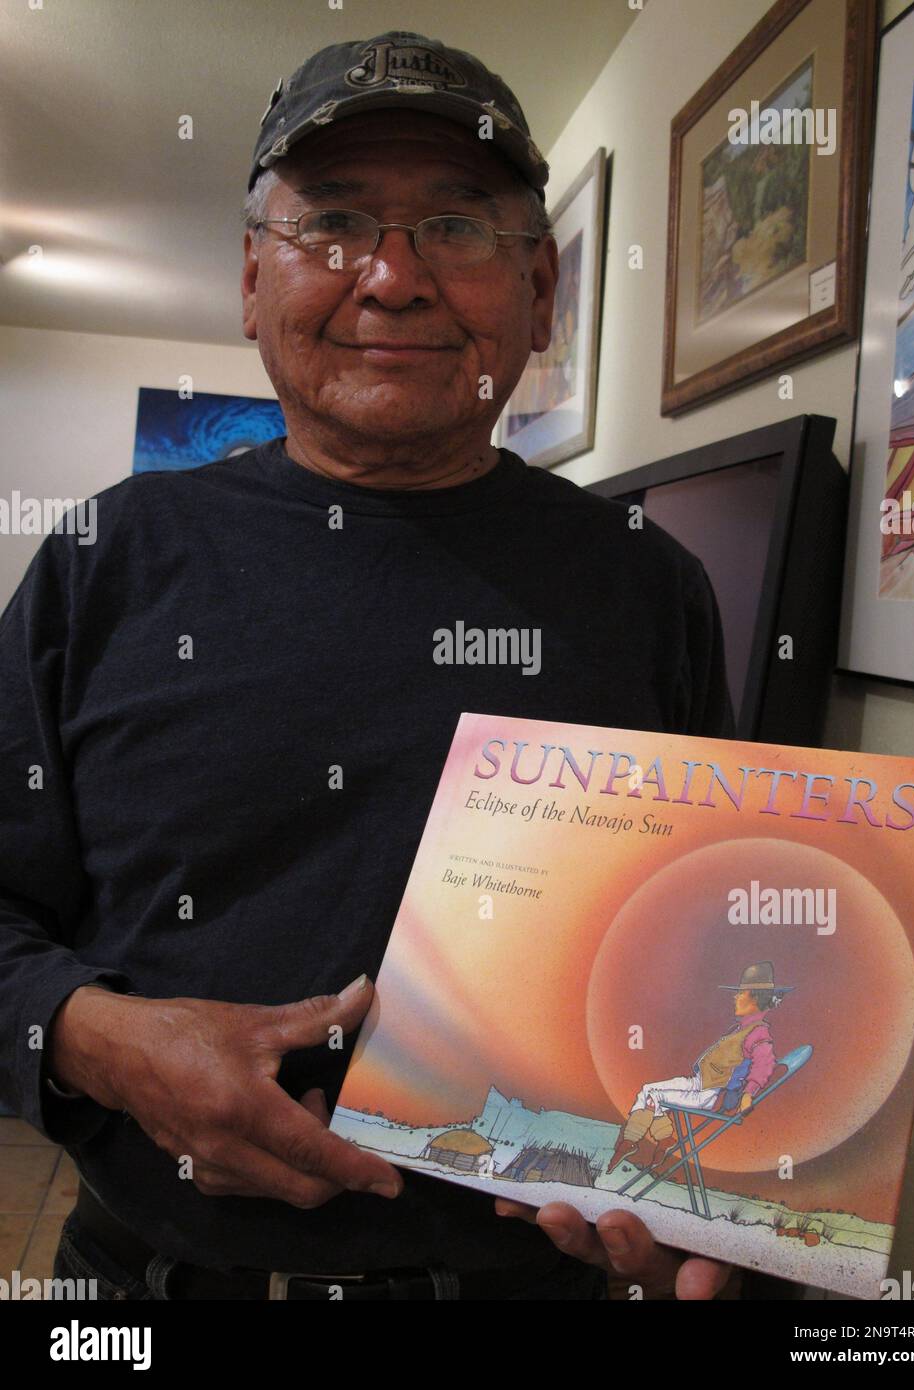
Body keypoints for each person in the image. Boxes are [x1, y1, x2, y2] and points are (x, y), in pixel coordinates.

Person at [0, 30, 737, 1301]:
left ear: (542, 288)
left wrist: (724, 1194)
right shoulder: (101, 561)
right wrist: (98, 1040)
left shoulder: (647, 584)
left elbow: (703, 949)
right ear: (250, 280)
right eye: (333, 222)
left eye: (458, 228)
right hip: (143, 1294)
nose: (392, 279)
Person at [606, 963, 792, 1177]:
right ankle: (648, 1140)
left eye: (740, 993)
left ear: (755, 999)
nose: (735, 998)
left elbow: (764, 1063)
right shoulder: (742, 1029)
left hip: (712, 1093)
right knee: (647, 1089)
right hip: (700, 1083)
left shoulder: (758, 1033)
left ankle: (636, 1141)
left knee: (654, 1096)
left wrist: (749, 1094)